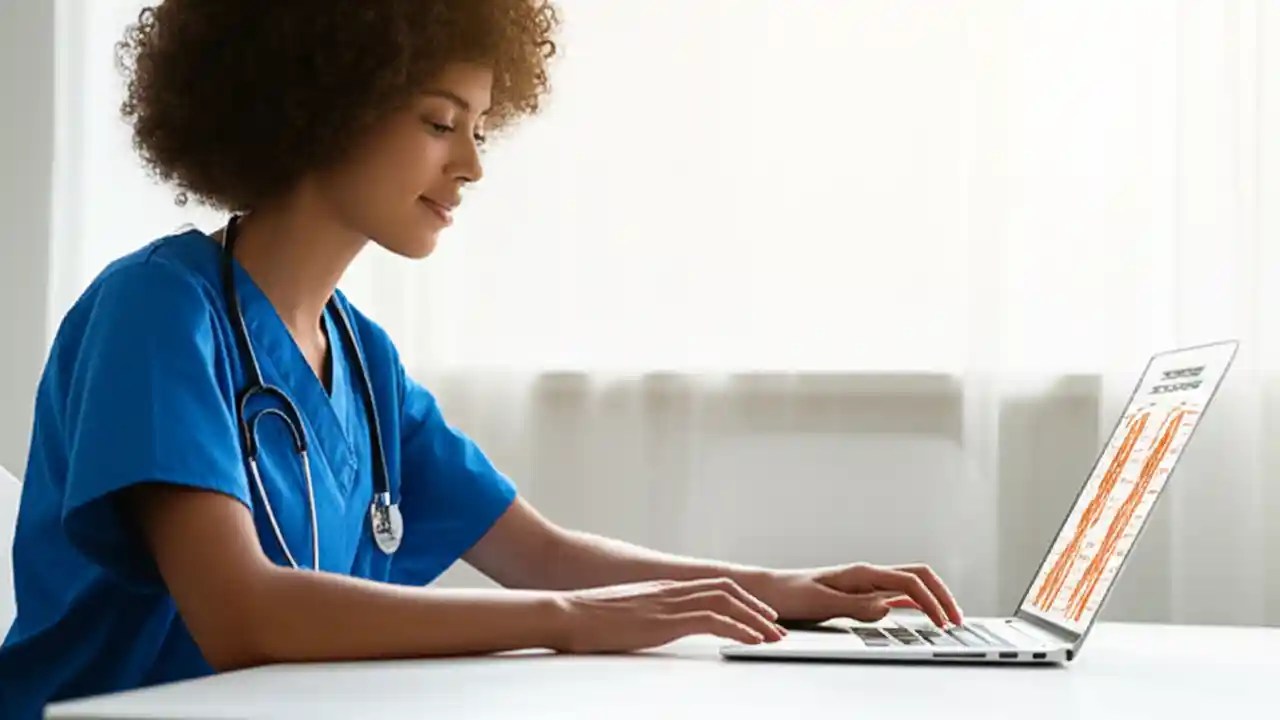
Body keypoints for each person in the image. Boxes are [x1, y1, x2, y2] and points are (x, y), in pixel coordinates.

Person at [0, 1, 964, 717]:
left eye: (480, 130)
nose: (470, 167)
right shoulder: (159, 310)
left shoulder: (362, 364)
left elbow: (540, 552)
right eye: (437, 122)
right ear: (321, 100)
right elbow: (243, 614)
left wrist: (781, 590)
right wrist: (569, 621)